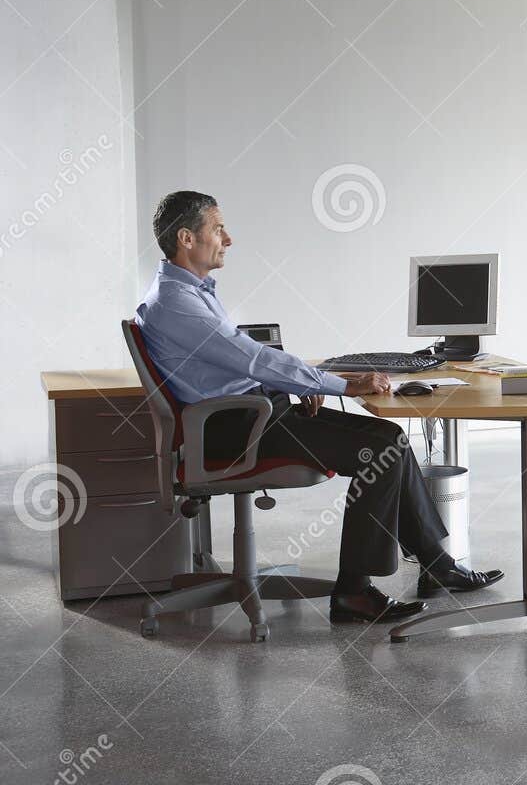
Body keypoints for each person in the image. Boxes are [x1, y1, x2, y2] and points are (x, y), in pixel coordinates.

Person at [134, 190, 502, 623]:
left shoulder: (186, 292)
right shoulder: (178, 303)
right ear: (186, 238)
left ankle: (437, 568)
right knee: (382, 451)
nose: (228, 238)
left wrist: (296, 382)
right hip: (241, 426)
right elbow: (251, 359)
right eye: (217, 228)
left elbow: (238, 359)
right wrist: (339, 384)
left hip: (250, 413)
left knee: (390, 440)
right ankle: (354, 594)